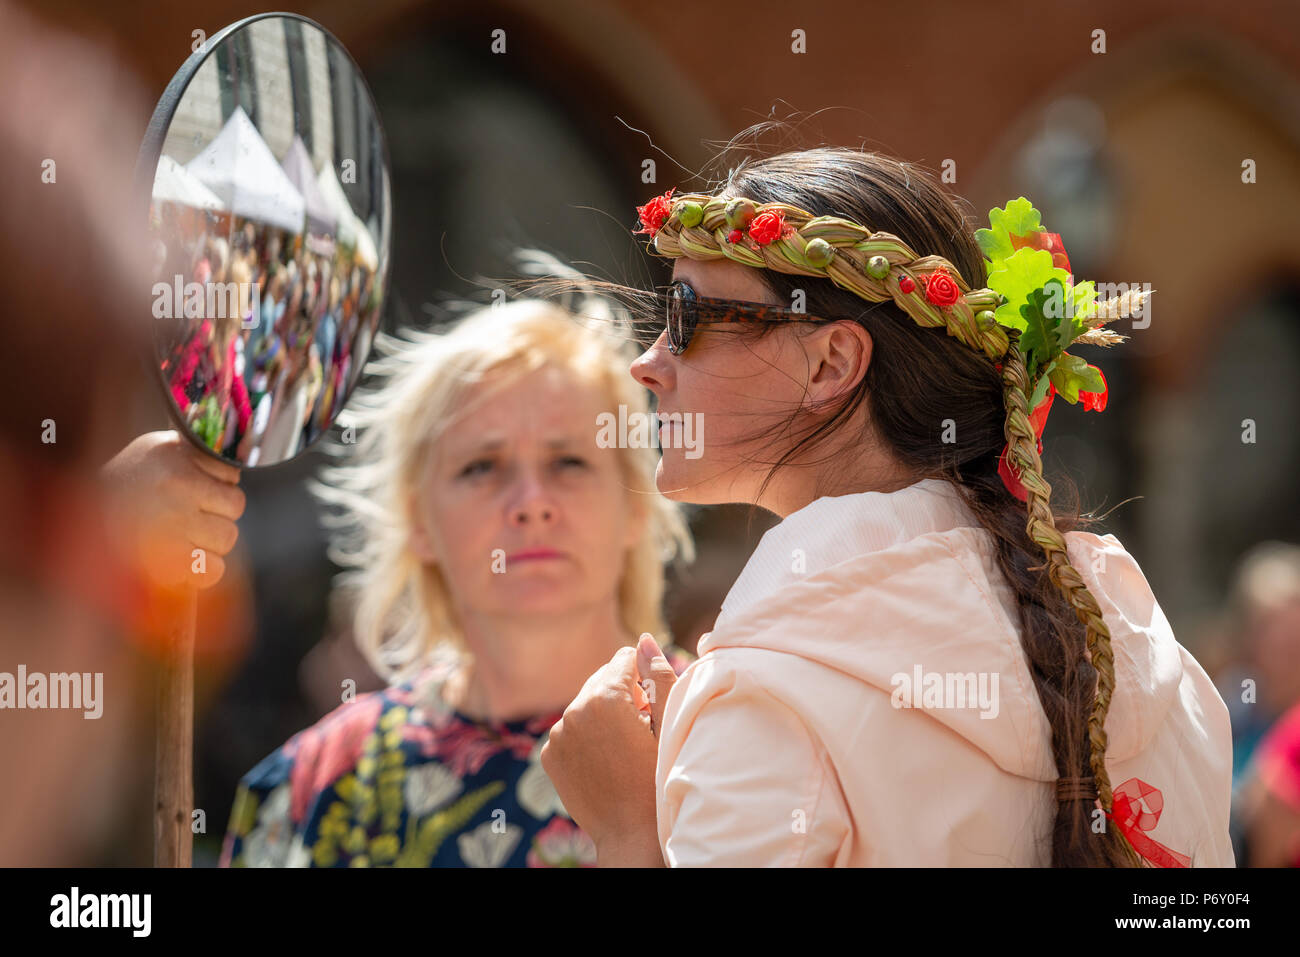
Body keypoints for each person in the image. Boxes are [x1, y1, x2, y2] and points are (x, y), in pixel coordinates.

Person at [540, 144, 1236, 867]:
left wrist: (626, 826)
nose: (647, 362)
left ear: (831, 363)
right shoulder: (1148, 650)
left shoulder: (767, 698)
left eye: (686, 315)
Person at [219, 256, 696, 867]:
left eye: (568, 462)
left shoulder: (727, 733)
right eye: (481, 467)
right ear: (419, 522)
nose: (531, 505)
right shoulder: (316, 786)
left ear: (635, 502)